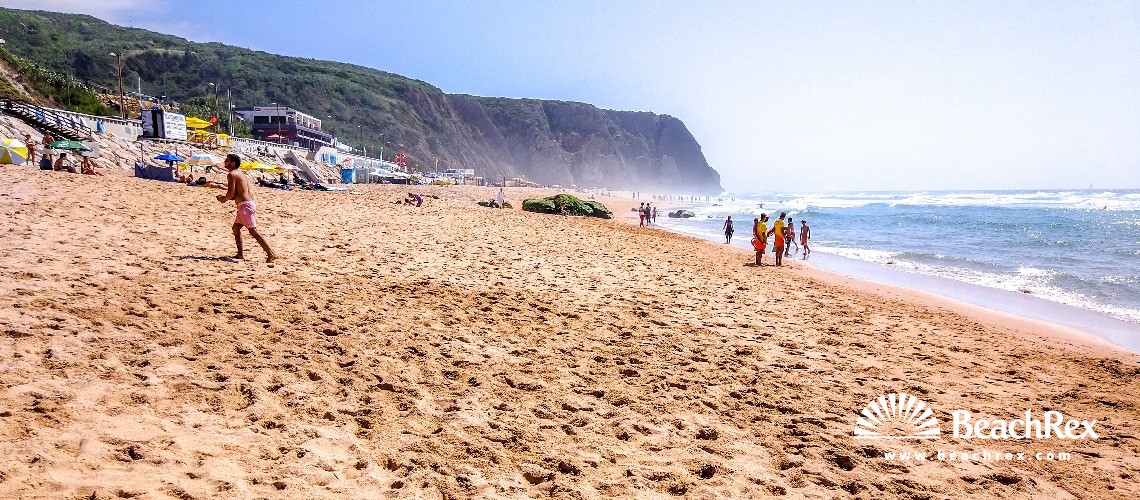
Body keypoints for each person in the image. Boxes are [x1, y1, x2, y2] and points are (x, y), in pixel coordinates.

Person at [217, 153, 276, 262]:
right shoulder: (240, 174)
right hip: (246, 204)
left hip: (245, 206)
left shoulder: (232, 175)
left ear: (233, 163)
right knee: (236, 228)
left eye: (227, 160)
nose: (225, 162)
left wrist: (223, 199)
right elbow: (238, 194)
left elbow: (230, 194)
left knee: (253, 231)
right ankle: (240, 254)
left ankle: (271, 253)